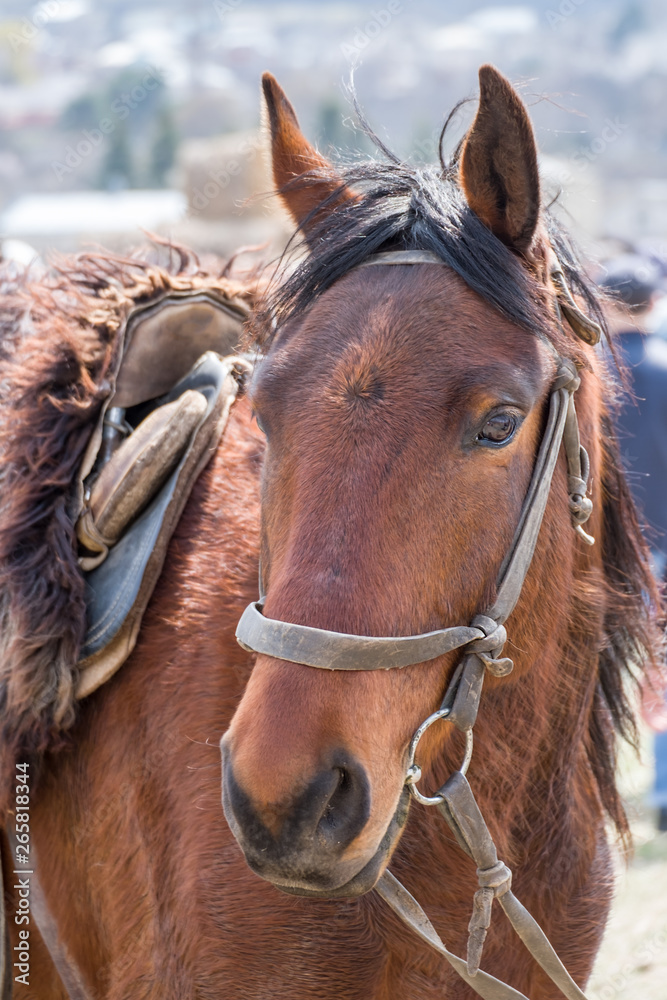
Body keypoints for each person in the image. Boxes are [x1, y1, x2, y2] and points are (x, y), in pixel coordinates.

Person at [600, 254, 667, 832]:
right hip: (665, 542)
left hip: (600, 549)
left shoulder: (587, 373)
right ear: (655, 302)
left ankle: (593, 788)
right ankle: (666, 796)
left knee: (591, 672)